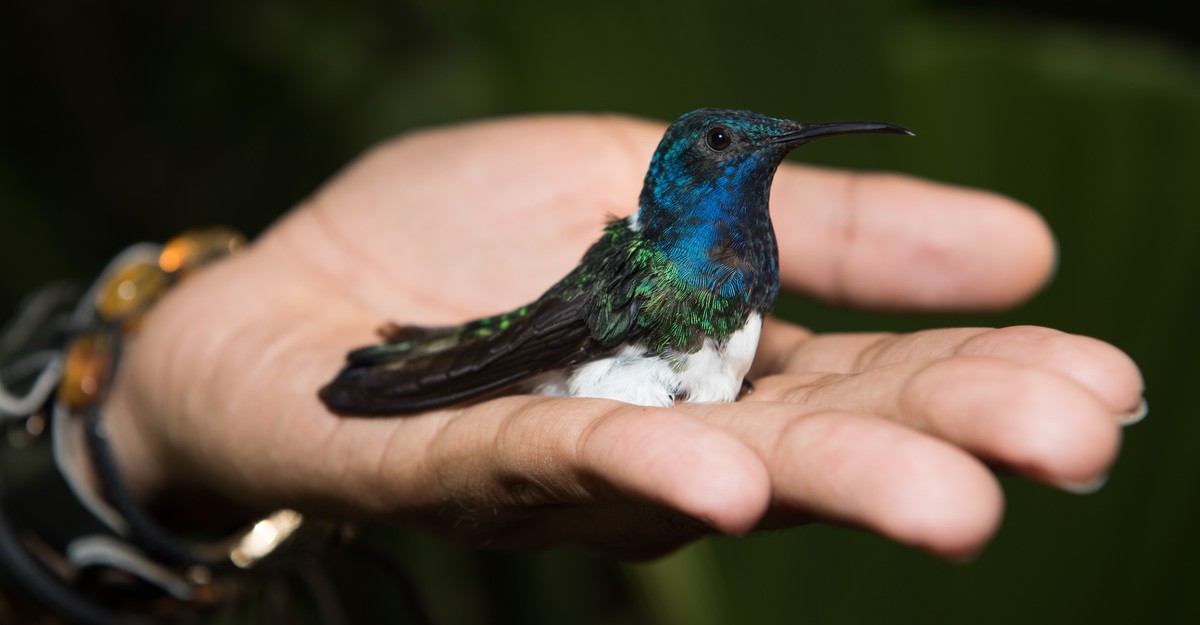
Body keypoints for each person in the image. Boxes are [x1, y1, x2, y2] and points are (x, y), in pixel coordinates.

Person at [74, 113, 1146, 565]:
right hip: (587, 359)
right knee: (470, 353)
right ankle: (400, 361)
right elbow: (526, 345)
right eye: (726, 142)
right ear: (683, 167)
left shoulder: (743, 252)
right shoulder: (644, 267)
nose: (754, 150)